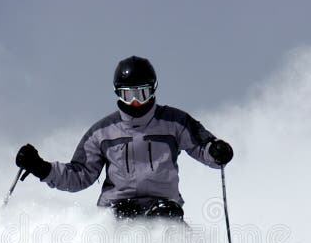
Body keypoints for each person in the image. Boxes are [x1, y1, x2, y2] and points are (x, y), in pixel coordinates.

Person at [15, 56, 234, 220]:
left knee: (165, 219)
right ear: (118, 94)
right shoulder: (102, 132)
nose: (136, 103)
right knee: (123, 218)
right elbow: (80, 175)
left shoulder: (174, 122)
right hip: (118, 207)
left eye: (142, 94)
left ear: (153, 91)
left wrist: (216, 152)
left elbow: (203, 147)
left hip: (163, 206)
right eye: (129, 95)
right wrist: (41, 167)